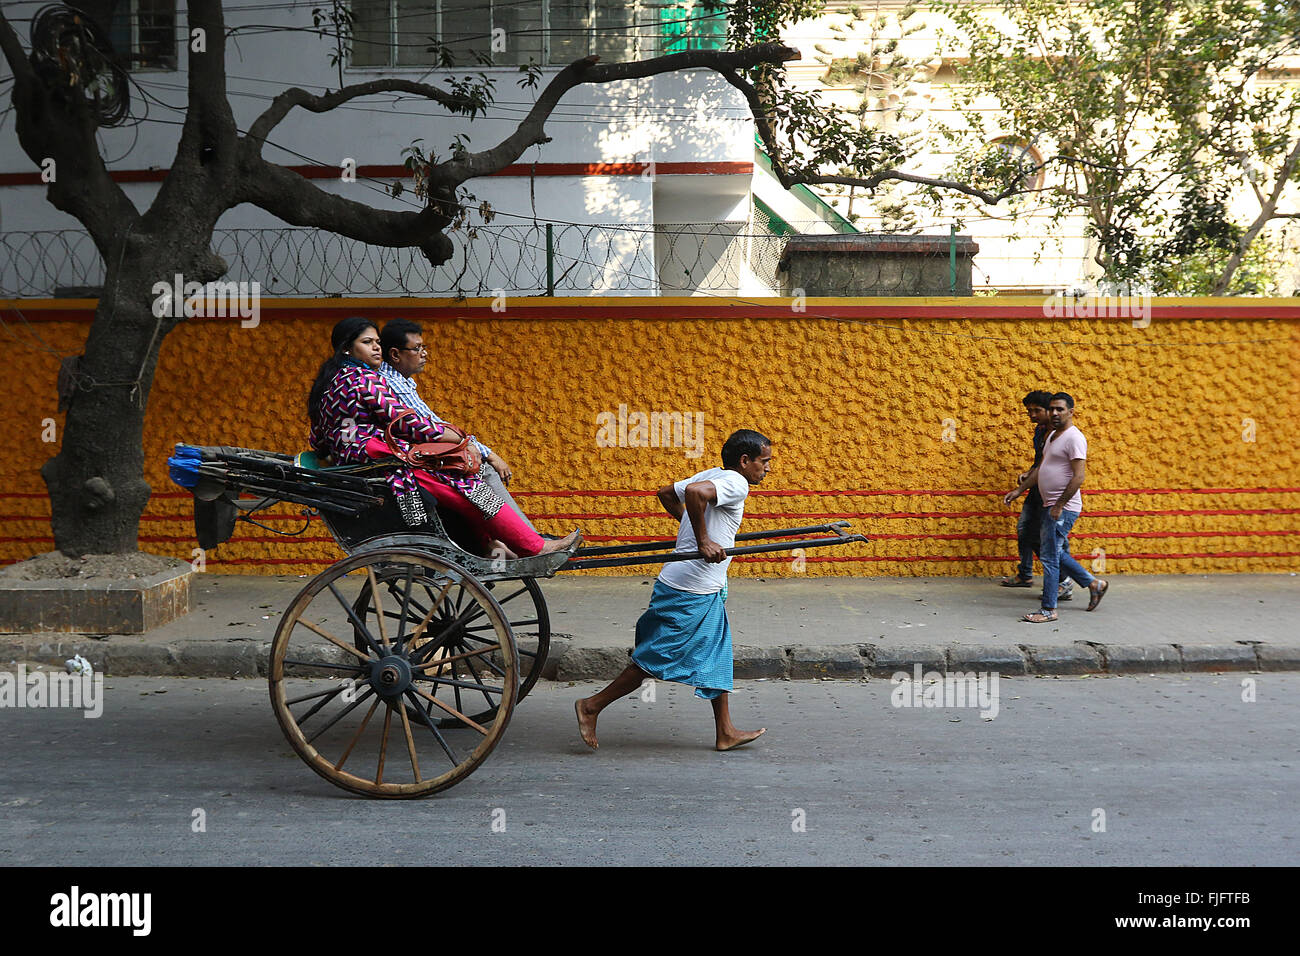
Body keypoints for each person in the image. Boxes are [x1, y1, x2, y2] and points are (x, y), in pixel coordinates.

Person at [307, 316, 579, 558]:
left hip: (365, 463)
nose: (376, 347)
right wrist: (450, 435)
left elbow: (318, 441)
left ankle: (490, 545)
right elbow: (405, 422)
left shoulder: (330, 383)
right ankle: (533, 546)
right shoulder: (363, 379)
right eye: (367, 342)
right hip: (384, 460)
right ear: (347, 347)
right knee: (472, 488)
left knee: (465, 483)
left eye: (376, 341)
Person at [574, 429, 772, 752]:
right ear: (745, 461)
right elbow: (693, 494)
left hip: (699, 586)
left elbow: (667, 493)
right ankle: (591, 706)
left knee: (718, 655)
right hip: (689, 589)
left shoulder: (714, 474)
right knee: (653, 659)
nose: (767, 469)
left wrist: (692, 532)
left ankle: (725, 731)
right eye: (764, 462)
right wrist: (702, 540)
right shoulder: (737, 483)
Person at [377, 319, 536, 537]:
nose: (424, 354)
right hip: (414, 465)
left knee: (475, 468)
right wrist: (485, 452)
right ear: (395, 355)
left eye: (424, 348)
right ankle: (529, 539)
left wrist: (474, 447)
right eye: (417, 349)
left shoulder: (399, 382)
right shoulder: (391, 383)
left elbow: (433, 423)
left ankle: (503, 542)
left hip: (417, 459)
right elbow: (431, 427)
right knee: (484, 471)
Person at [1021, 392, 1108, 623]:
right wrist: (1018, 491)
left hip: (1062, 507)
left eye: (1060, 409)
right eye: (1052, 409)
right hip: (1051, 505)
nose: (1055, 413)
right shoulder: (1052, 436)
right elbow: (1041, 469)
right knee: (1055, 552)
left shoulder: (1074, 438)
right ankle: (1093, 583)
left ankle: (1049, 609)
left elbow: (1079, 477)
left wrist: (1059, 505)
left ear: (1071, 412)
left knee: (1050, 557)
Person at [1000, 389, 1073, 601]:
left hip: (1051, 493)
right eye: (1029, 411)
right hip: (1038, 488)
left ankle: (1064, 582)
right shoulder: (1041, 431)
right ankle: (1025, 574)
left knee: (1052, 539)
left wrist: (1023, 486)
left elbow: (1066, 470)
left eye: (1037, 410)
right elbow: (1040, 464)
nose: (1032, 415)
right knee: (1026, 530)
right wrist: (1028, 475)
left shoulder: (1060, 435)